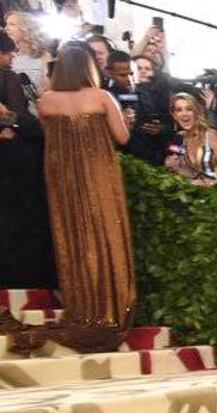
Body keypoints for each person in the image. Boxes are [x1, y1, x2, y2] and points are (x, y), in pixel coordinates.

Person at [29, 41, 134, 352]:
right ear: (88, 67)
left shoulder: (47, 100)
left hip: (63, 181)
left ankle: (83, 305)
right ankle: (110, 306)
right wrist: (126, 119)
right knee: (104, 233)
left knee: (74, 237)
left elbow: (49, 134)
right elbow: (122, 137)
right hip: (98, 175)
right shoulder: (101, 97)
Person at [0, 29, 54, 290]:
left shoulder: (11, 76)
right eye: (8, 52)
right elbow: (22, 119)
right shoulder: (8, 77)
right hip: (15, 168)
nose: (13, 56)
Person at [164, 91, 217, 189]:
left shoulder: (211, 135)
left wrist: (207, 185)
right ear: (174, 116)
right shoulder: (180, 138)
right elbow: (194, 174)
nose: (184, 114)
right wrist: (176, 168)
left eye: (189, 109)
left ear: (197, 111)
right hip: (197, 196)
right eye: (179, 110)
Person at [3, 11, 49, 94]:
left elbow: (48, 87)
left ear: (26, 28)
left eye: (12, 24)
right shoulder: (6, 57)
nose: (6, 28)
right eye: (6, 24)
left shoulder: (44, 55)